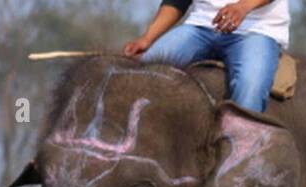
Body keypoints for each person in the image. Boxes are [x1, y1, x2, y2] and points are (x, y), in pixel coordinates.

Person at [124, 1, 289, 113]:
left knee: (251, 85)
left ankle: (241, 157)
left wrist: (242, 7)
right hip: (200, 26)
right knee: (144, 71)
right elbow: (176, 2)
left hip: (257, 31)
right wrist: (148, 38)